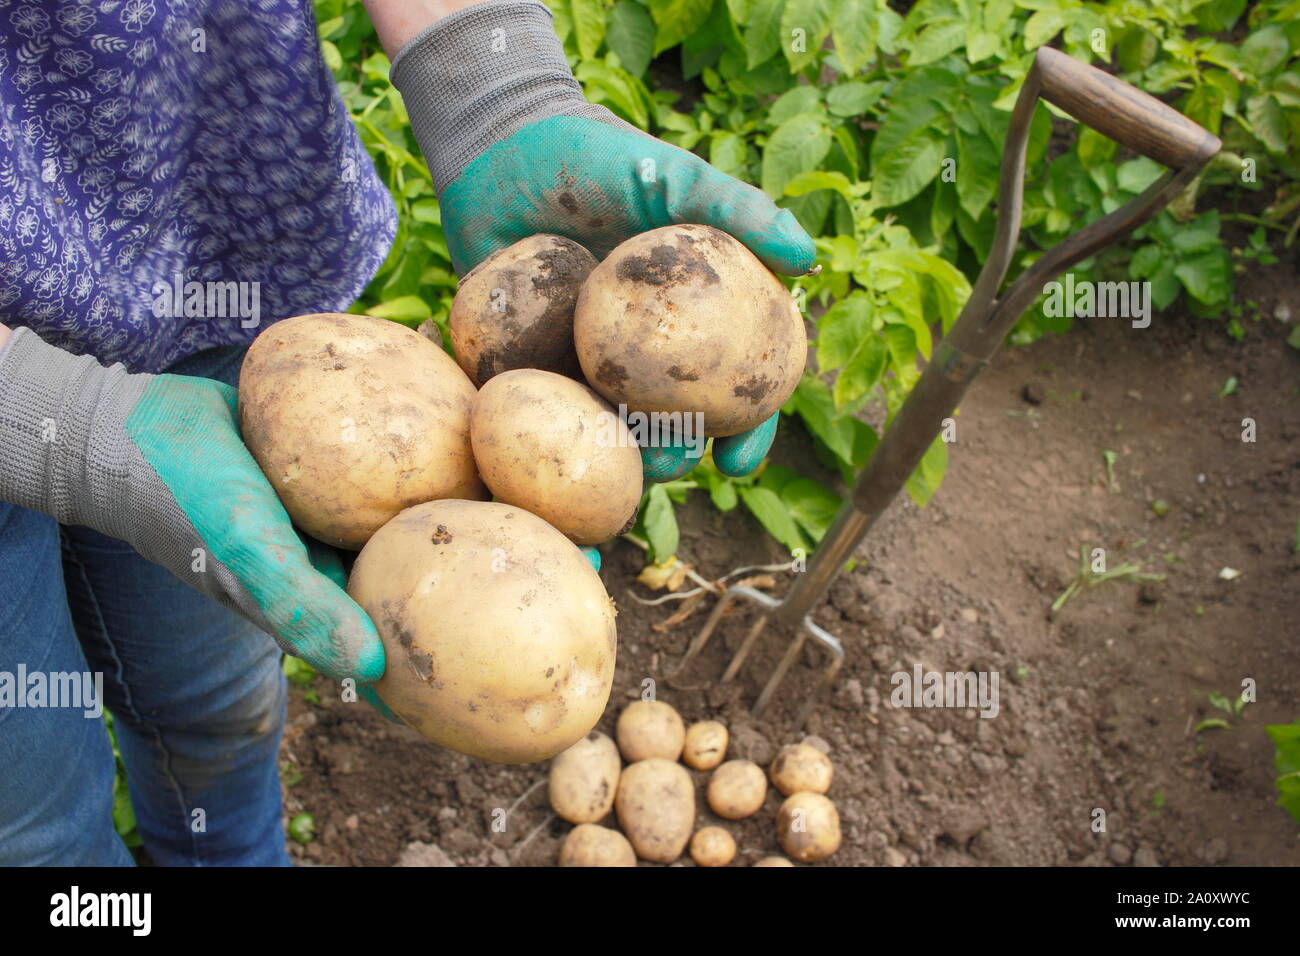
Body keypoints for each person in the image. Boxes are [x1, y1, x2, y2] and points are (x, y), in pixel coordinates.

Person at [0, 0, 813, 865]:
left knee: (218, 700)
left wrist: (493, 84)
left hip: (196, 255)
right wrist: (42, 408)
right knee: (31, 814)